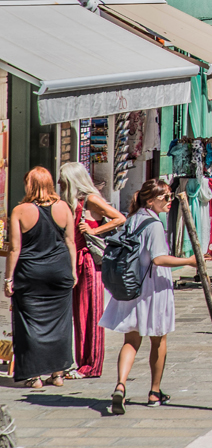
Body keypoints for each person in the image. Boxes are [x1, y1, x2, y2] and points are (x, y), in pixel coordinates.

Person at [101, 179, 195, 413]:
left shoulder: (133, 219)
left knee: (131, 341)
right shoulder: (153, 224)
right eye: (165, 198)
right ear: (150, 200)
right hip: (152, 288)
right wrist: (190, 261)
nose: (170, 202)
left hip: (132, 286)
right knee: (158, 339)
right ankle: (154, 392)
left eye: (171, 197)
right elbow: (158, 258)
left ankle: (120, 386)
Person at [6, 167, 77, 389]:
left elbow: (15, 248)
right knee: (60, 324)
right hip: (59, 271)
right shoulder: (64, 207)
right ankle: (58, 373)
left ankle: (34, 376)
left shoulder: (20, 211)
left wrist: (8, 278)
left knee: (29, 324)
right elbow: (70, 242)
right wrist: (73, 271)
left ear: (30, 185)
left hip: (30, 273)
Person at [58, 162, 125, 379]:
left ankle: (91, 365)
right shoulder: (69, 202)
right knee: (79, 314)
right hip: (74, 260)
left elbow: (119, 218)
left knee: (90, 313)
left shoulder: (90, 199)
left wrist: (94, 229)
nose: (59, 183)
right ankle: (81, 362)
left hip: (88, 261)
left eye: (63, 179)